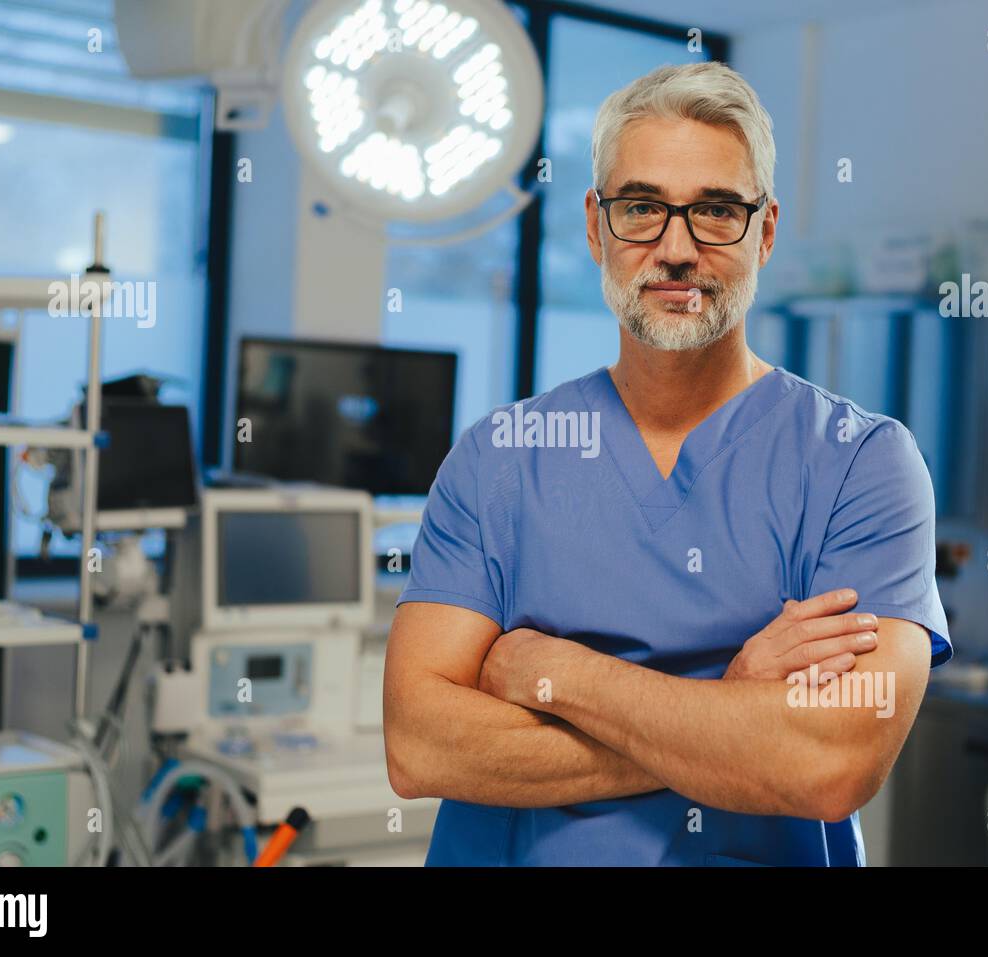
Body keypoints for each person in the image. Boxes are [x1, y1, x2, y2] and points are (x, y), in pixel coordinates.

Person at [383, 61, 952, 866]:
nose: (676, 249)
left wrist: (555, 673)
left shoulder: (860, 466)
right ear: (596, 225)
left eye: (717, 210)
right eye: (643, 208)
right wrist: (730, 713)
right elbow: (419, 744)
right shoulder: (499, 459)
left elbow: (832, 763)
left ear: (767, 230)